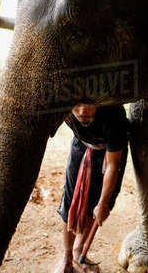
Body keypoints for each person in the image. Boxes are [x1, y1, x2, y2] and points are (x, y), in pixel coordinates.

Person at [54, 103, 129, 273]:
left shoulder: (114, 115)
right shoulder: (60, 105)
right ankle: (67, 258)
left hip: (110, 156)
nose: (82, 111)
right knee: (71, 201)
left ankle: (78, 251)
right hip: (81, 147)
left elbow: (113, 165)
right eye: (77, 105)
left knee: (97, 205)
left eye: (88, 104)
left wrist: (103, 202)